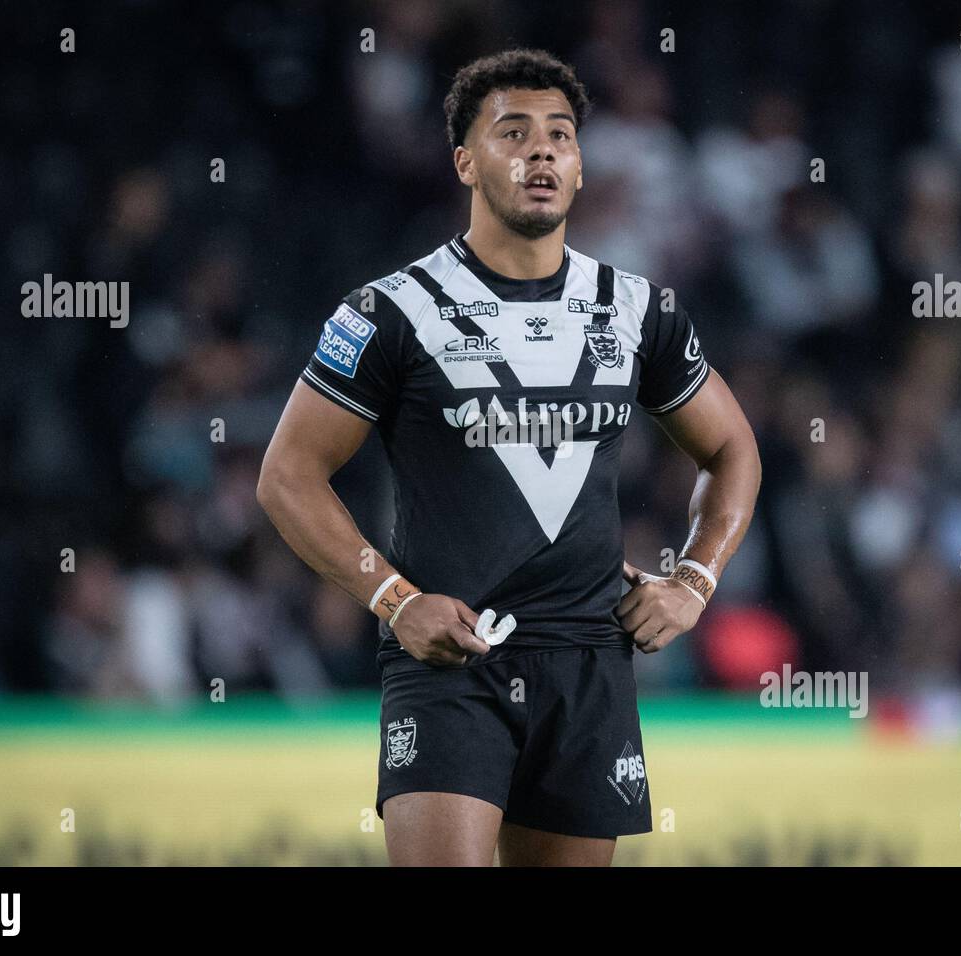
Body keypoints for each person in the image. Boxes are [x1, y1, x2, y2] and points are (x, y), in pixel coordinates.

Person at [257, 49, 761, 866]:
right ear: (464, 160)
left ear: (581, 166)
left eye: (560, 136)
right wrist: (393, 599)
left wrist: (695, 580)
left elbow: (732, 447)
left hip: (590, 664)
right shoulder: (392, 311)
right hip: (450, 667)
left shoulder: (637, 309)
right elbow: (286, 475)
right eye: (513, 133)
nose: (541, 153)